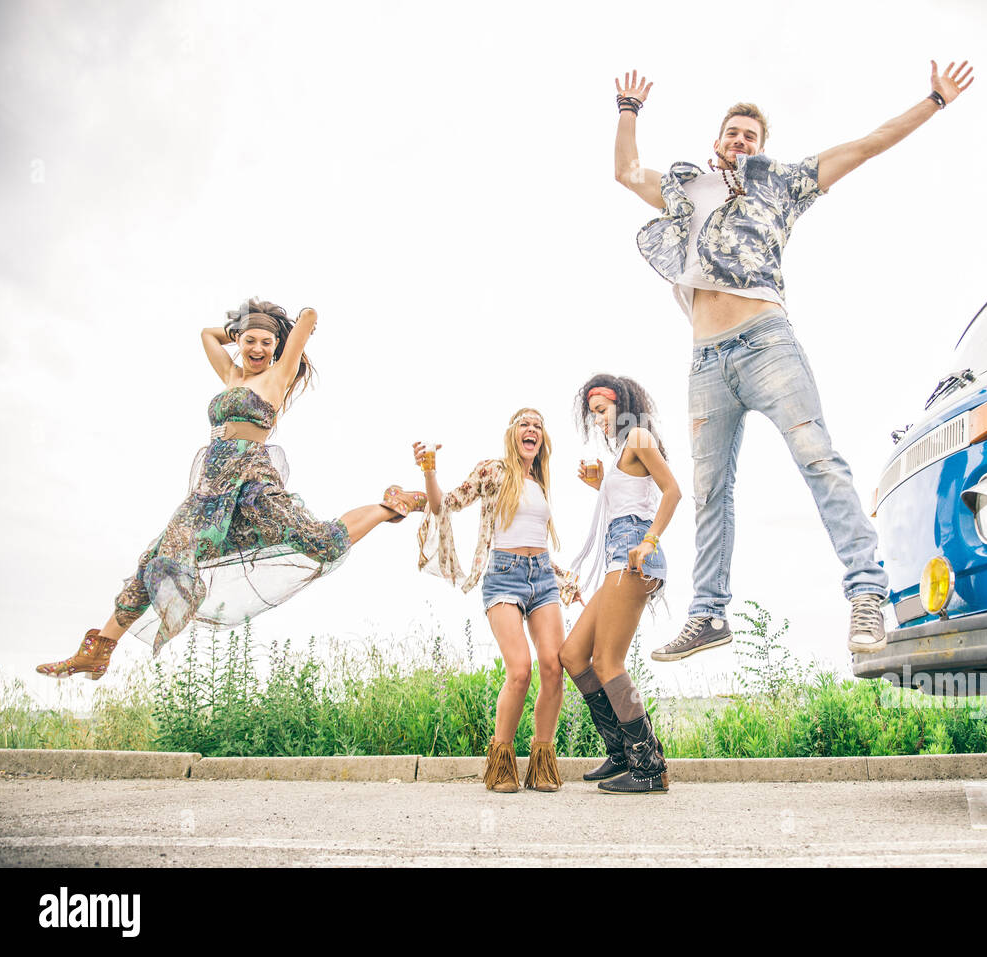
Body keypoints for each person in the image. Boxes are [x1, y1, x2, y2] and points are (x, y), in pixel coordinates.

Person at [610, 61, 975, 661]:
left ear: (761, 148)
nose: (741, 141)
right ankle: (708, 613)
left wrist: (934, 99)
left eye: (751, 136)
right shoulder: (687, 188)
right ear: (718, 140)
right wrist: (628, 110)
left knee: (818, 459)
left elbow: (866, 145)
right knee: (710, 490)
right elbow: (624, 171)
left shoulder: (781, 183)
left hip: (766, 342)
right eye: (733, 133)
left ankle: (865, 593)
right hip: (705, 360)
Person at [36, 298, 427, 679]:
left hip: (253, 484)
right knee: (156, 557)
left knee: (320, 543)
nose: (257, 348)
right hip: (211, 487)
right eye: (249, 340)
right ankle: (97, 653)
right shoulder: (232, 376)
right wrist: (239, 325)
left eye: (266, 343)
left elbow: (309, 315)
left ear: (276, 348)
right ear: (239, 341)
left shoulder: (279, 374)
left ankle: (389, 505)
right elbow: (206, 334)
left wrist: (281, 326)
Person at [414, 409, 579, 793]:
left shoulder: (539, 480)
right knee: (520, 670)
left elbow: (536, 542)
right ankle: (501, 762)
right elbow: (445, 504)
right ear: (512, 433)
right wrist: (429, 470)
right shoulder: (492, 472)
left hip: (541, 576)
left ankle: (541, 762)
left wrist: (566, 581)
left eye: (538, 426)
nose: (532, 429)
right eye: (525, 423)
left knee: (554, 667)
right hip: (503, 576)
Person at [559, 375, 681, 793]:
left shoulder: (641, 437)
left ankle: (648, 767)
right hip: (618, 552)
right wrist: (599, 484)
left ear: (621, 404)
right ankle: (621, 753)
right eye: (592, 415)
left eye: (601, 411)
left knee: (607, 663)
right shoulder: (622, 455)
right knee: (573, 654)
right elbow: (630, 497)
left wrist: (650, 541)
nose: (598, 421)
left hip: (634, 554)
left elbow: (672, 492)